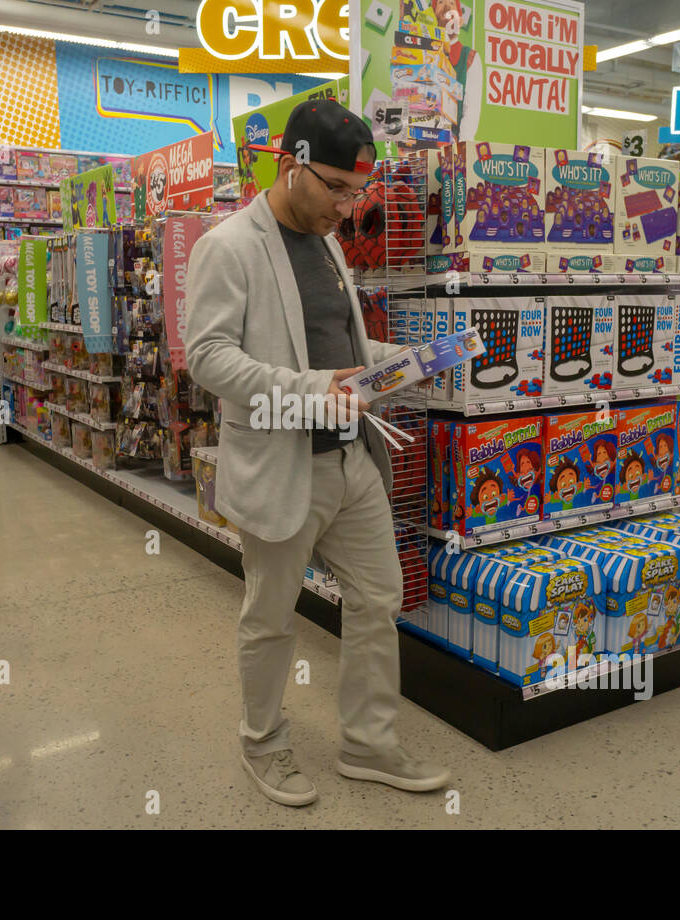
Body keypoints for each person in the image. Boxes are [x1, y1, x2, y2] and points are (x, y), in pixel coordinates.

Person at [185, 99, 450, 807]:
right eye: (335, 187)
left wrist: (413, 361)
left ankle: (368, 743)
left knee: (377, 600)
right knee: (272, 614)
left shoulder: (330, 241)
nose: (347, 205)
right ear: (290, 163)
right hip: (280, 461)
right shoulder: (229, 244)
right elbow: (207, 358)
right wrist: (305, 388)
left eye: (357, 190)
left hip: (352, 459)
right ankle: (263, 742)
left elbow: (341, 353)